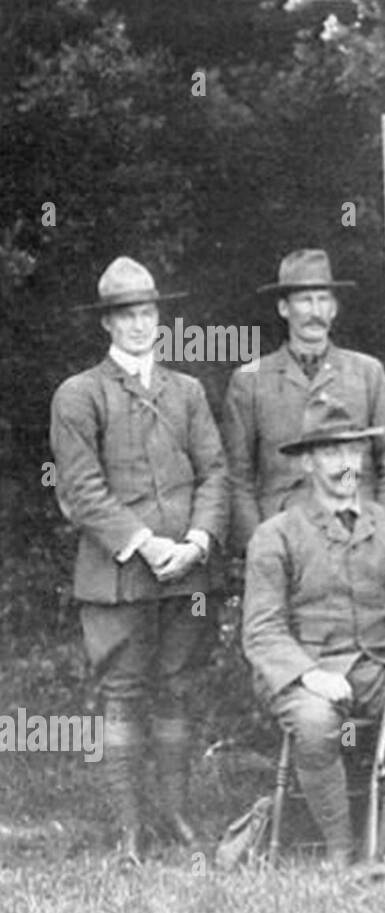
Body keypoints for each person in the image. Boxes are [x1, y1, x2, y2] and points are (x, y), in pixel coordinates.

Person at [50, 257, 229, 861]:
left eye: (148, 312)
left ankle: (175, 815)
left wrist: (199, 541)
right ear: (106, 323)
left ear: (160, 317)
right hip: (118, 576)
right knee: (123, 694)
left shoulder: (188, 391)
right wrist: (147, 544)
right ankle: (129, 829)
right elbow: (81, 491)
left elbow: (216, 472)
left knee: (178, 688)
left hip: (188, 572)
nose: (138, 325)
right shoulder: (79, 395)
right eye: (125, 314)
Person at [242, 396, 385, 868]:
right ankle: (340, 849)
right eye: (332, 453)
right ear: (305, 462)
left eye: (354, 451)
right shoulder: (276, 534)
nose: (347, 464)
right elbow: (262, 629)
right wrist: (308, 675)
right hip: (308, 673)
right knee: (319, 724)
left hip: (383, 666)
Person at [223, 248, 385, 554]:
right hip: (285, 538)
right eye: (304, 300)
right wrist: (259, 546)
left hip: (358, 533)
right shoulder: (250, 380)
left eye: (323, 299)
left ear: (335, 308)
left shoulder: (367, 373)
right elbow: (238, 477)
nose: (315, 311)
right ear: (284, 308)